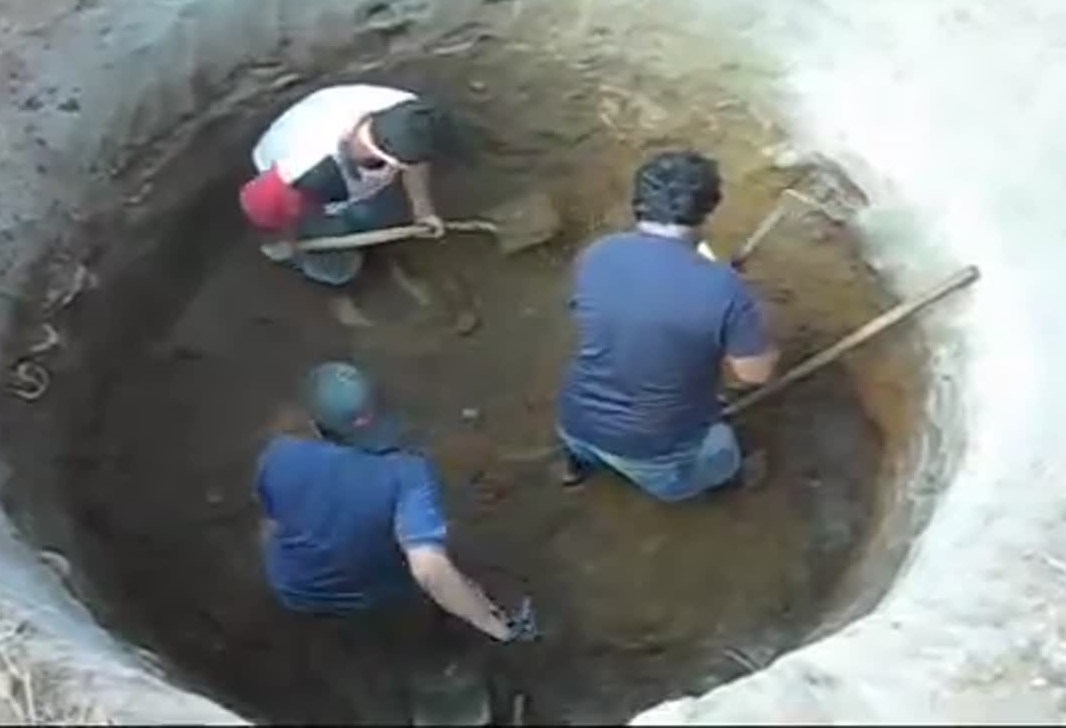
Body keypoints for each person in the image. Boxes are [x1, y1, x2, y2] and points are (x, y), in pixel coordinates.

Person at [254, 361, 537, 644]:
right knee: (447, 538)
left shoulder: (277, 457)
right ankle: (507, 619)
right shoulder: (407, 472)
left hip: (293, 587)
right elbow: (429, 567)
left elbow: (270, 522)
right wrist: (489, 622)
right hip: (372, 591)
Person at [555, 150, 781, 501]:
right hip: (652, 448)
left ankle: (574, 470)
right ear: (708, 208)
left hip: (575, 419)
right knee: (722, 449)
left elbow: (601, 312)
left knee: (586, 444)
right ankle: (721, 481)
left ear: (639, 202)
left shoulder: (598, 253)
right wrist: (752, 319)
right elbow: (755, 375)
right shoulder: (724, 289)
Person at [238, 84, 463, 286]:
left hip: (346, 175)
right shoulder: (305, 169)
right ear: (393, 159)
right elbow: (259, 203)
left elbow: (417, 157)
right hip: (298, 186)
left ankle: (354, 219)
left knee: (380, 216)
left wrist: (422, 208)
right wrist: (284, 242)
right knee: (339, 269)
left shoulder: (409, 115)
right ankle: (311, 256)